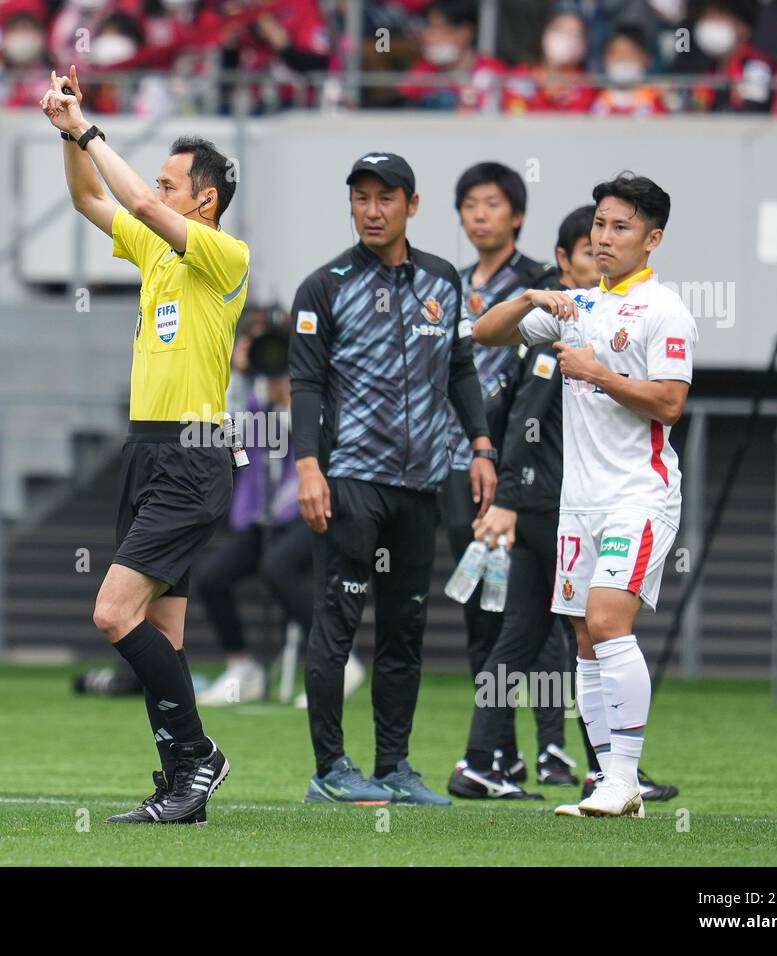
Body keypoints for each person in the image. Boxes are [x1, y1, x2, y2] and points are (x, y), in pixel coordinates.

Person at [41, 64, 248, 825]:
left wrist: (91, 130)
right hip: (149, 453)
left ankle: (200, 759)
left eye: (172, 182)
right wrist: (69, 136)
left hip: (191, 457)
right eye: (158, 180)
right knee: (162, 632)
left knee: (111, 613)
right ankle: (181, 789)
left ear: (206, 200)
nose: (157, 191)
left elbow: (126, 194)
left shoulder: (225, 255)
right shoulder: (158, 250)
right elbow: (90, 197)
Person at [473, 172, 696, 818]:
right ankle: (610, 783)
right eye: (600, 224)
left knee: (606, 621)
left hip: (640, 495)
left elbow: (671, 403)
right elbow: (485, 331)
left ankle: (623, 777)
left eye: (620, 226)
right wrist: (531, 298)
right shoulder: (578, 306)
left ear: (652, 239)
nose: (604, 237)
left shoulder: (665, 310)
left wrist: (599, 372)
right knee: (587, 642)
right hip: (580, 502)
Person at [290, 152, 494, 806]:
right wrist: (307, 467)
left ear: (412, 203)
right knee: (337, 623)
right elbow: (305, 385)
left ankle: (394, 768)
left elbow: (461, 367)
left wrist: (483, 445)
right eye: (361, 198)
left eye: (385, 198)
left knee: (405, 631)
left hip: (423, 485)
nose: (372, 210)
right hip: (350, 480)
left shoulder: (442, 281)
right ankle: (329, 769)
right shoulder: (325, 285)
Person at [444, 161, 554, 784]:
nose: (479, 214)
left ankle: (541, 749)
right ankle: (500, 753)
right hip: (454, 466)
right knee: (480, 613)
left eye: (491, 203)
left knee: (527, 617)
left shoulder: (538, 283)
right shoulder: (448, 283)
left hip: (514, 470)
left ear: (517, 214)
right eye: (469, 204)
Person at [193, 325, 315, 706]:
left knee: (277, 569)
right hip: (261, 518)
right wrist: (241, 380)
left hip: (304, 512)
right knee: (212, 578)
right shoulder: (249, 396)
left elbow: (315, 438)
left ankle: (333, 658)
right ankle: (241, 666)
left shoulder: (310, 388)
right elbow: (234, 445)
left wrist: (289, 399)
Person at [397, 0, 507, 111]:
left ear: (464, 33)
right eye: (427, 28)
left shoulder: (495, 73)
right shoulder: (422, 72)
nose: (428, 37)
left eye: (437, 28)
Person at [671, 0, 773, 113]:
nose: (709, 24)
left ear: (743, 28)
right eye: (706, 17)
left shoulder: (756, 66)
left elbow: (751, 112)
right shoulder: (709, 68)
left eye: (717, 17)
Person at [590, 23, 667, 116]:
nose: (623, 60)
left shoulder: (654, 101)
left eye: (630, 54)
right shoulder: (596, 102)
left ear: (645, 58)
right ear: (606, 58)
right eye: (618, 54)